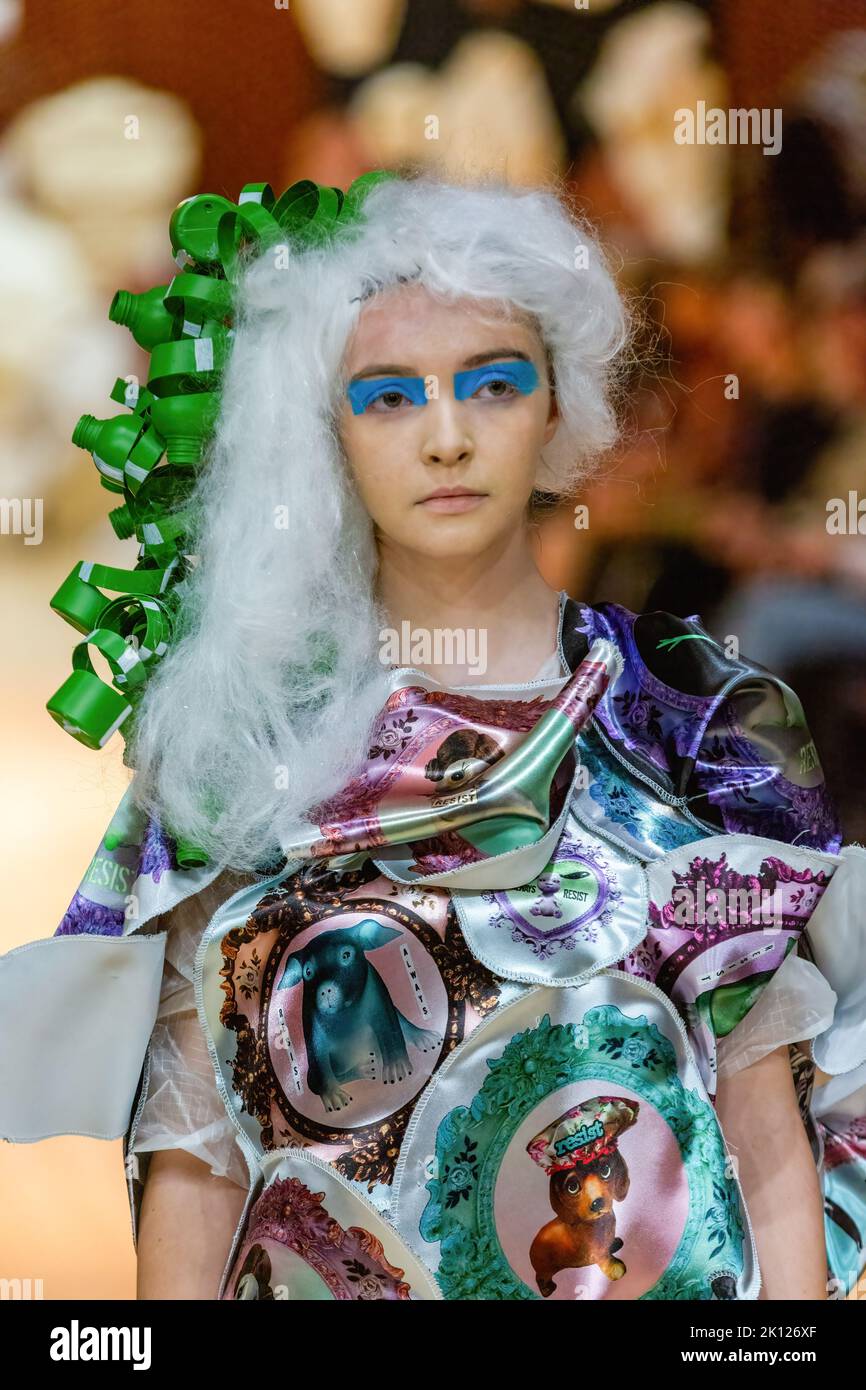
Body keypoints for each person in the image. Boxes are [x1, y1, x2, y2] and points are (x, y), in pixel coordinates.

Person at [4, 172, 864, 1302]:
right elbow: (196, 1151)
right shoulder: (248, 741)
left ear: (556, 404)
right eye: (389, 397)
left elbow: (763, 1136)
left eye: (492, 386)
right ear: (327, 430)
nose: (447, 438)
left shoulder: (690, 722)